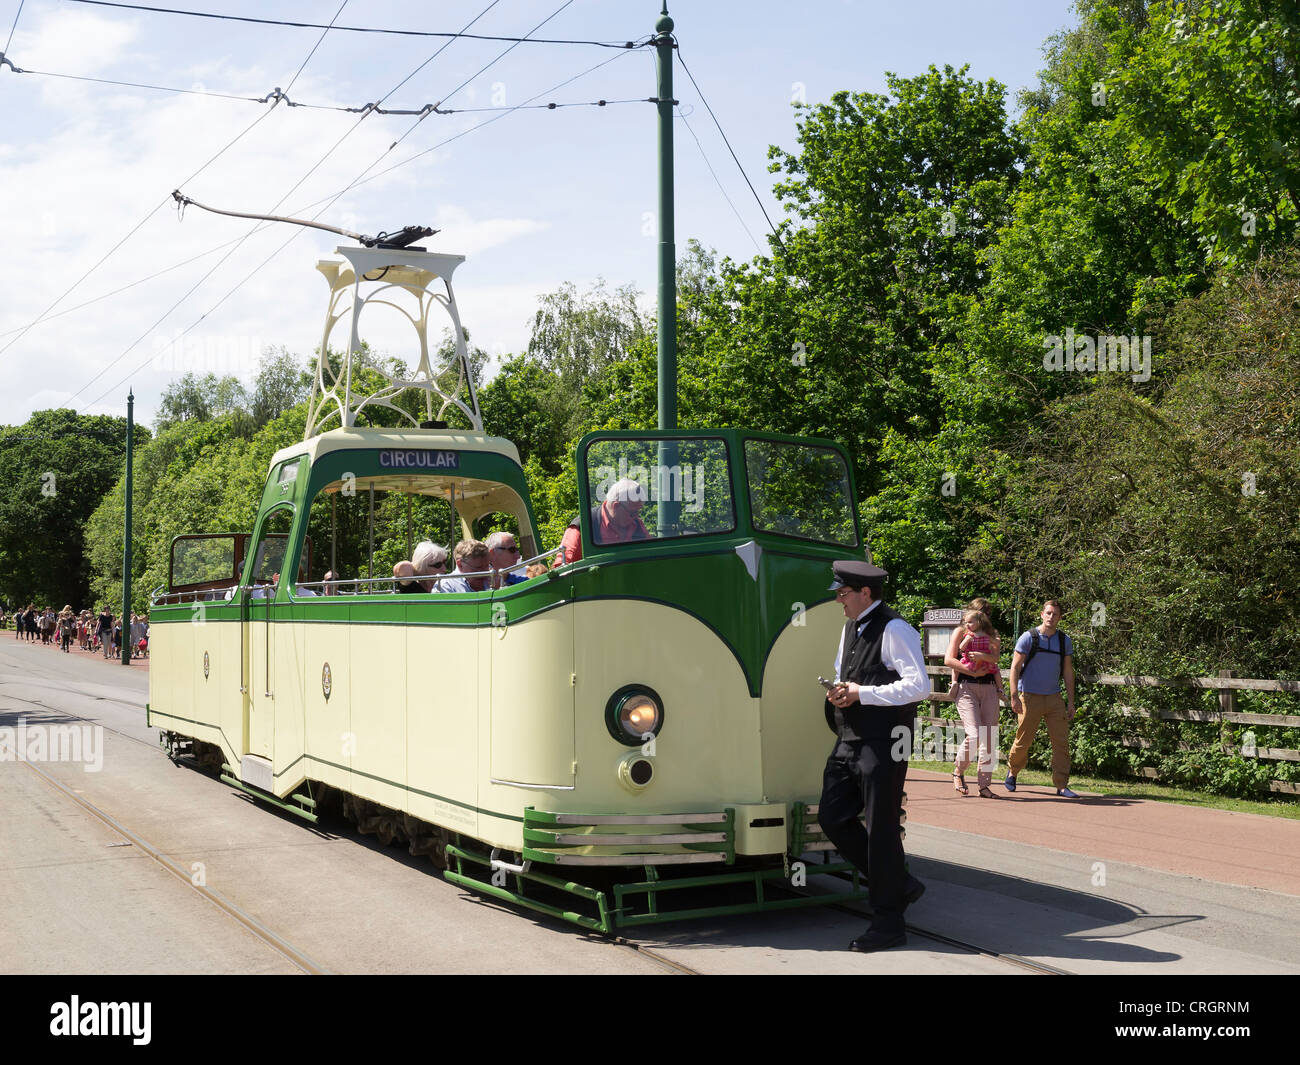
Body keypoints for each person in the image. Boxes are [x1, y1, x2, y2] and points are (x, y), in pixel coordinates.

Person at [820, 560, 930, 952]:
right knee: (831, 817)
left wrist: (861, 694)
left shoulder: (895, 628)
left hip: (884, 741)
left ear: (865, 593)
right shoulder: (851, 626)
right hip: (851, 737)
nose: (839, 599)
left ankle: (889, 923)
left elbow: (919, 686)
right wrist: (838, 691)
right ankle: (898, 883)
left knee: (882, 831)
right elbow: (845, 672)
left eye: (843, 593)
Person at [1005, 600, 1078, 798]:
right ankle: (1012, 771)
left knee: (1061, 743)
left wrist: (1071, 701)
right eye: (1048, 613)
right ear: (1041, 614)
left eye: (1055, 614)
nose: (1051, 617)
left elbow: (1068, 672)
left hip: (1054, 698)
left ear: (1060, 618)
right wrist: (1014, 696)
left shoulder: (1064, 641)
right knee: (1023, 740)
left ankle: (1062, 785)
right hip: (1029, 697)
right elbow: (1015, 668)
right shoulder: (1029, 638)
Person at [945, 609, 1002, 797]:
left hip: (989, 686)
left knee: (989, 736)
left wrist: (982, 657)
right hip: (966, 686)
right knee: (975, 733)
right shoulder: (961, 632)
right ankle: (958, 771)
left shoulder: (992, 634)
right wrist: (971, 672)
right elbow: (949, 659)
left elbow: (996, 659)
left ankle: (984, 785)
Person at [555, 477, 650, 565]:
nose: (636, 517)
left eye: (639, 512)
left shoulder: (636, 524)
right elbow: (561, 566)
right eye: (633, 513)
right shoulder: (583, 526)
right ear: (615, 506)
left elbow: (652, 552)